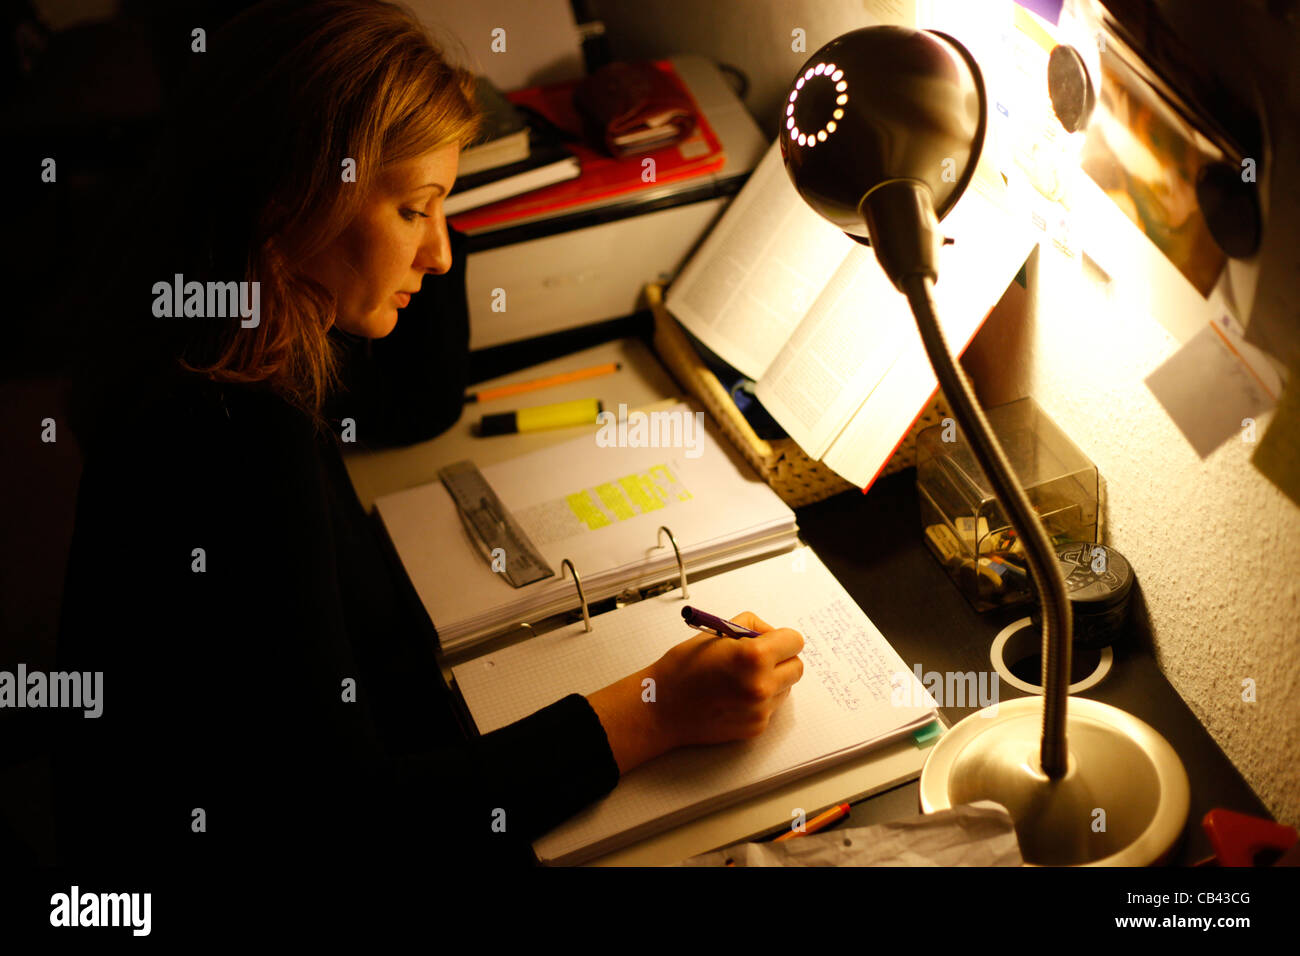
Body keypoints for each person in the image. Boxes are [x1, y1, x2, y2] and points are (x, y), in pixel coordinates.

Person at [52, 0, 804, 871]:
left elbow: (418, 406)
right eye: (415, 212)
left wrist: (425, 193)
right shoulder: (232, 436)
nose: (442, 255)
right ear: (294, 198)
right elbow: (353, 824)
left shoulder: (236, 316)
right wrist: (656, 711)